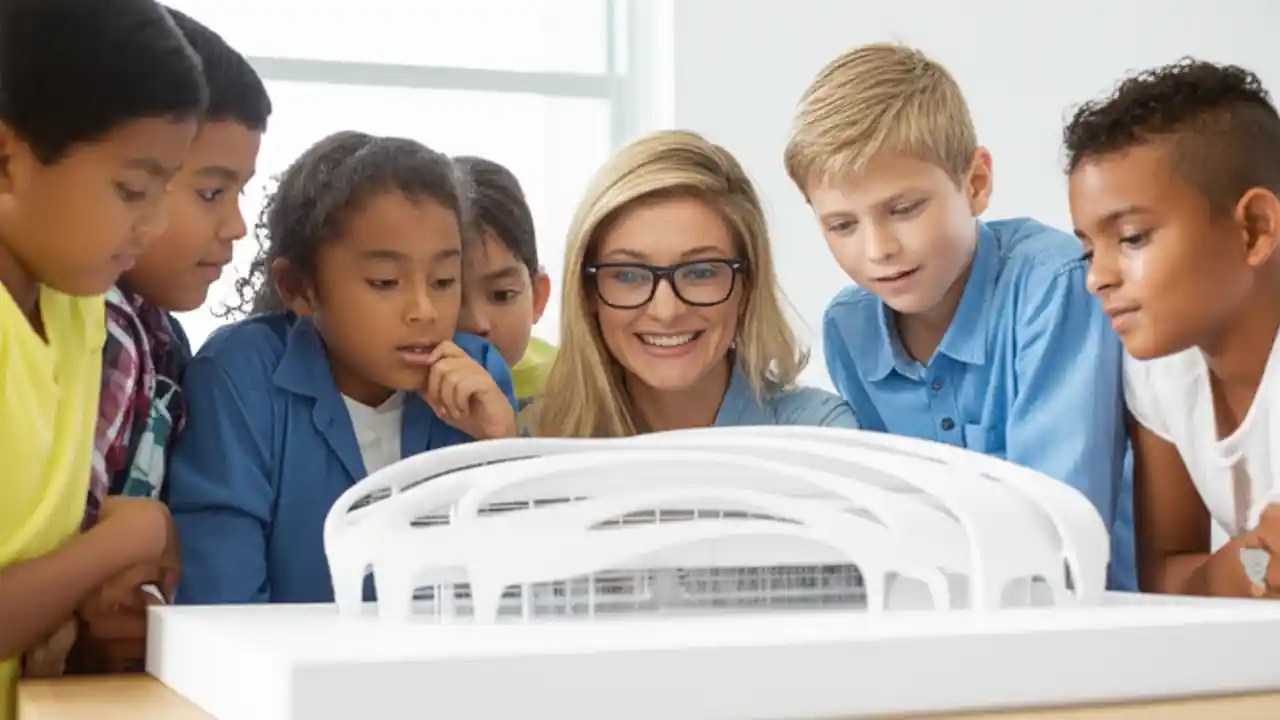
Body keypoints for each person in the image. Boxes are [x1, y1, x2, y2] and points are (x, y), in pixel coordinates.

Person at [783, 42, 1134, 589]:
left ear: (976, 183)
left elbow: (1064, 527)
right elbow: (894, 519)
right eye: (842, 225)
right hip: (950, 620)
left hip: (1091, 621)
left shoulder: (1056, 283)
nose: (878, 250)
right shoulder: (849, 329)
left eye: (904, 210)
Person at [166, 131, 517, 605]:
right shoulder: (237, 380)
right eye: (385, 281)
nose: (424, 310)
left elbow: (511, 601)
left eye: (443, 280)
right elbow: (220, 606)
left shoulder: (478, 378)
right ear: (299, 288)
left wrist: (501, 448)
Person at [0, 0, 205, 713]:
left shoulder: (82, 309)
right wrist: (120, 545)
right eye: (132, 191)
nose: (152, 226)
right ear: (6, 163)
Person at [73, 6, 272, 674]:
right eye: (213, 192)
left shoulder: (162, 338)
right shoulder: (106, 331)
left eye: (239, 193)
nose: (238, 226)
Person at [1066, 59, 1280, 597]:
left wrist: (1230, 573)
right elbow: (1164, 578)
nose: (1097, 278)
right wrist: (1251, 564)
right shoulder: (1159, 365)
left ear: (1254, 230)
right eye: (1089, 249)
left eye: (1133, 238)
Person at [531, 130, 855, 438]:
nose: (667, 311)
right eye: (629, 275)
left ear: (747, 286)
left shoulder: (821, 434)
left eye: (701, 273)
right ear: (587, 292)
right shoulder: (532, 437)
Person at [453, 155, 554, 411]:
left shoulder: (567, 391)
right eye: (450, 293)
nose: (477, 324)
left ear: (538, 298)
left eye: (501, 295)